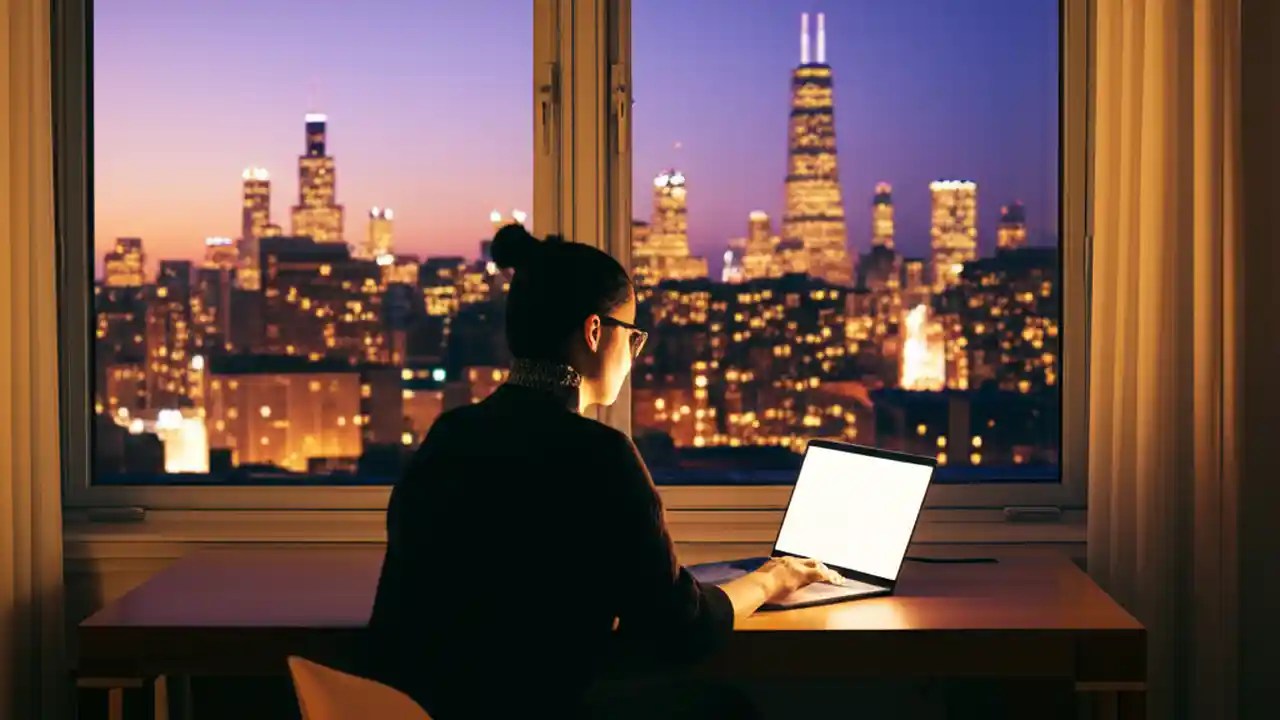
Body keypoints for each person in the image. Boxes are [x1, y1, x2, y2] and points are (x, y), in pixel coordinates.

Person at [363, 224, 842, 719]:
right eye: (632, 336)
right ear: (595, 332)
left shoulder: (450, 434)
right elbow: (682, 629)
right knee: (725, 710)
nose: (634, 353)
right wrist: (771, 579)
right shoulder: (600, 455)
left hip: (423, 710)